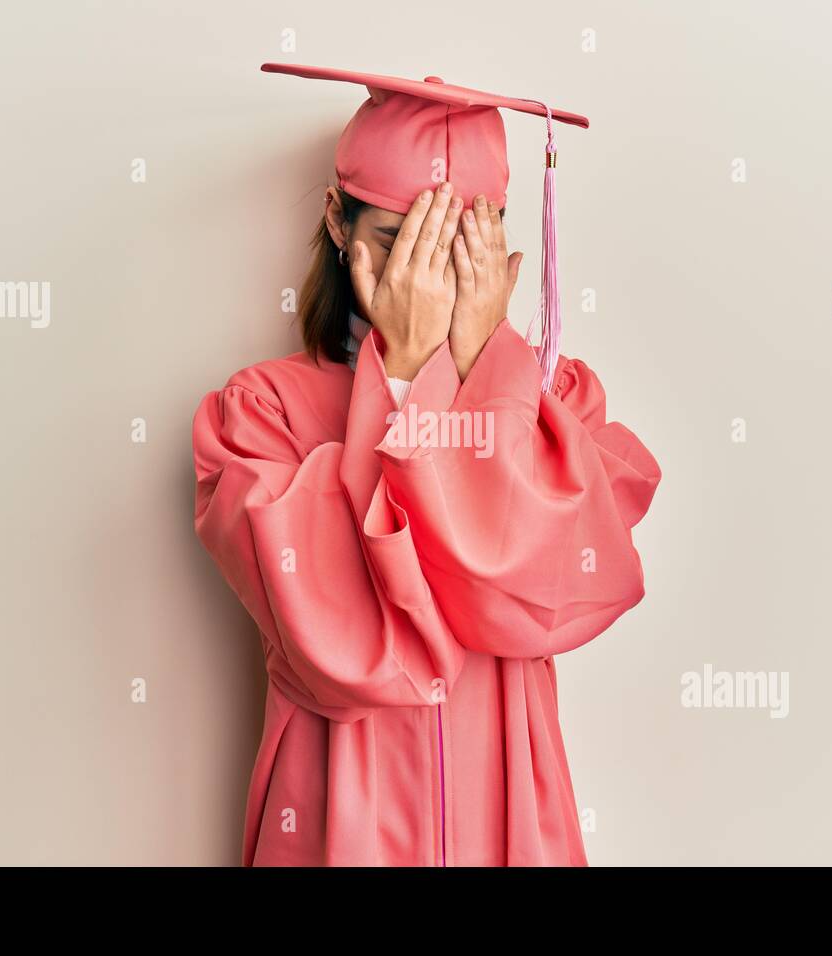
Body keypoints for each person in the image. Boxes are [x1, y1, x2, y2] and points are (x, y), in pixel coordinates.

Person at [192, 63, 662, 866]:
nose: (428, 283)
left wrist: (484, 374)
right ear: (337, 222)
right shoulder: (262, 416)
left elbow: (548, 600)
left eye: (457, 248)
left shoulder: (559, 412)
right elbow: (335, 651)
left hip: (510, 815)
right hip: (340, 820)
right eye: (401, 243)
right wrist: (405, 379)